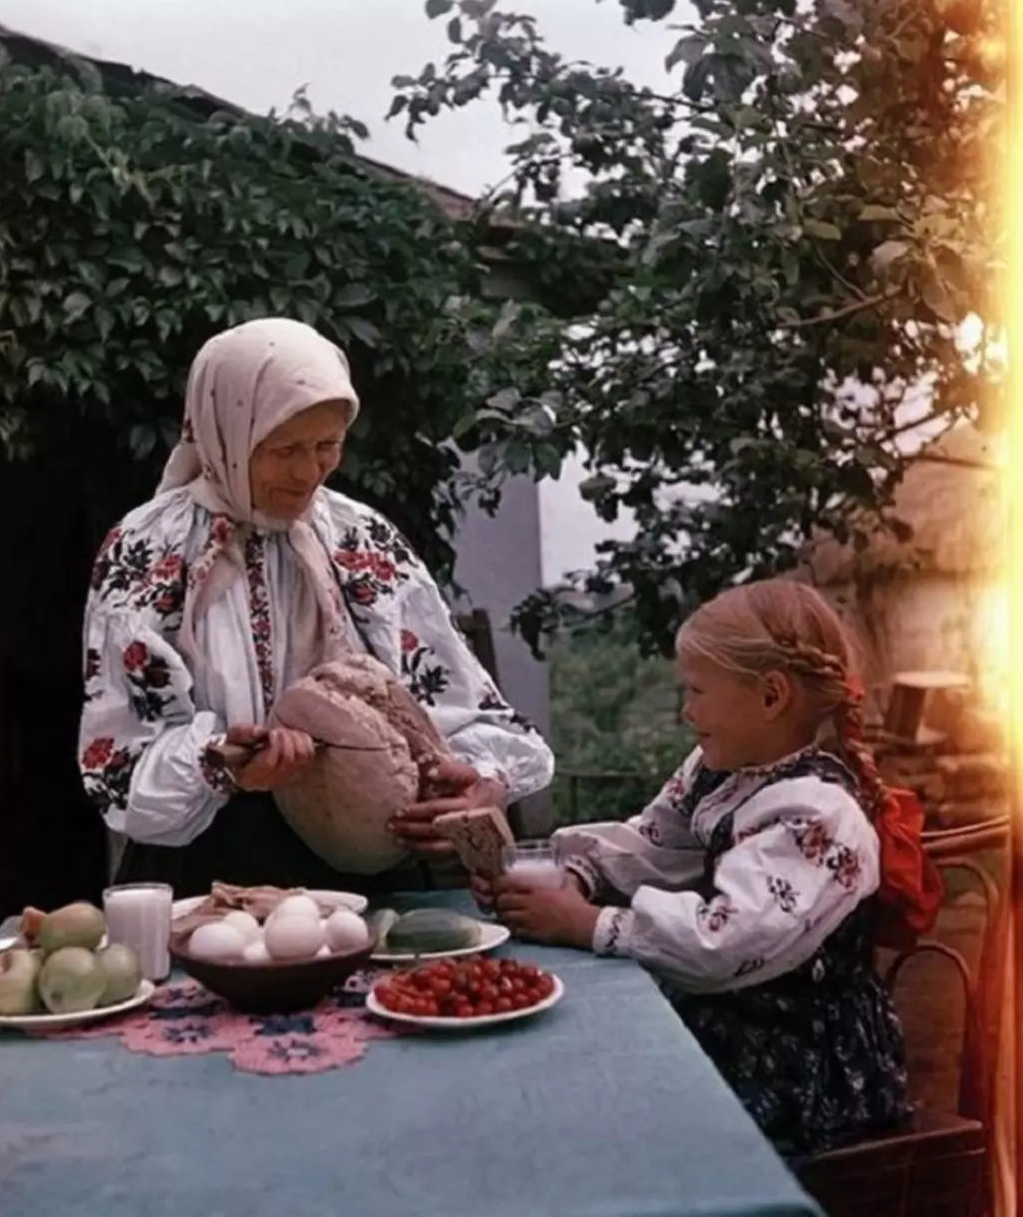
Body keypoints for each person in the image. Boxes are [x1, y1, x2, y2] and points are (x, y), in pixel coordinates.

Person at [79, 317, 553, 896]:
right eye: (283, 450)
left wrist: (478, 778)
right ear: (225, 432)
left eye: (327, 445)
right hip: (209, 874)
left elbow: (455, 706)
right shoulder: (146, 551)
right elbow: (121, 761)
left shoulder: (360, 537)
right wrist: (222, 763)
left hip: (370, 867)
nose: (309, 471)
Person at [483, 580, 940, 1157]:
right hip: (730, 1016)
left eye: (697, 690)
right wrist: (581, 874)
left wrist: (586, 924)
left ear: (771, 697)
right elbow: (653, 845)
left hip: (798, 1062)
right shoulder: (721, 765)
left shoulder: (819, 814)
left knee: (609, 1115)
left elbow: (724, 941)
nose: (685, 709)